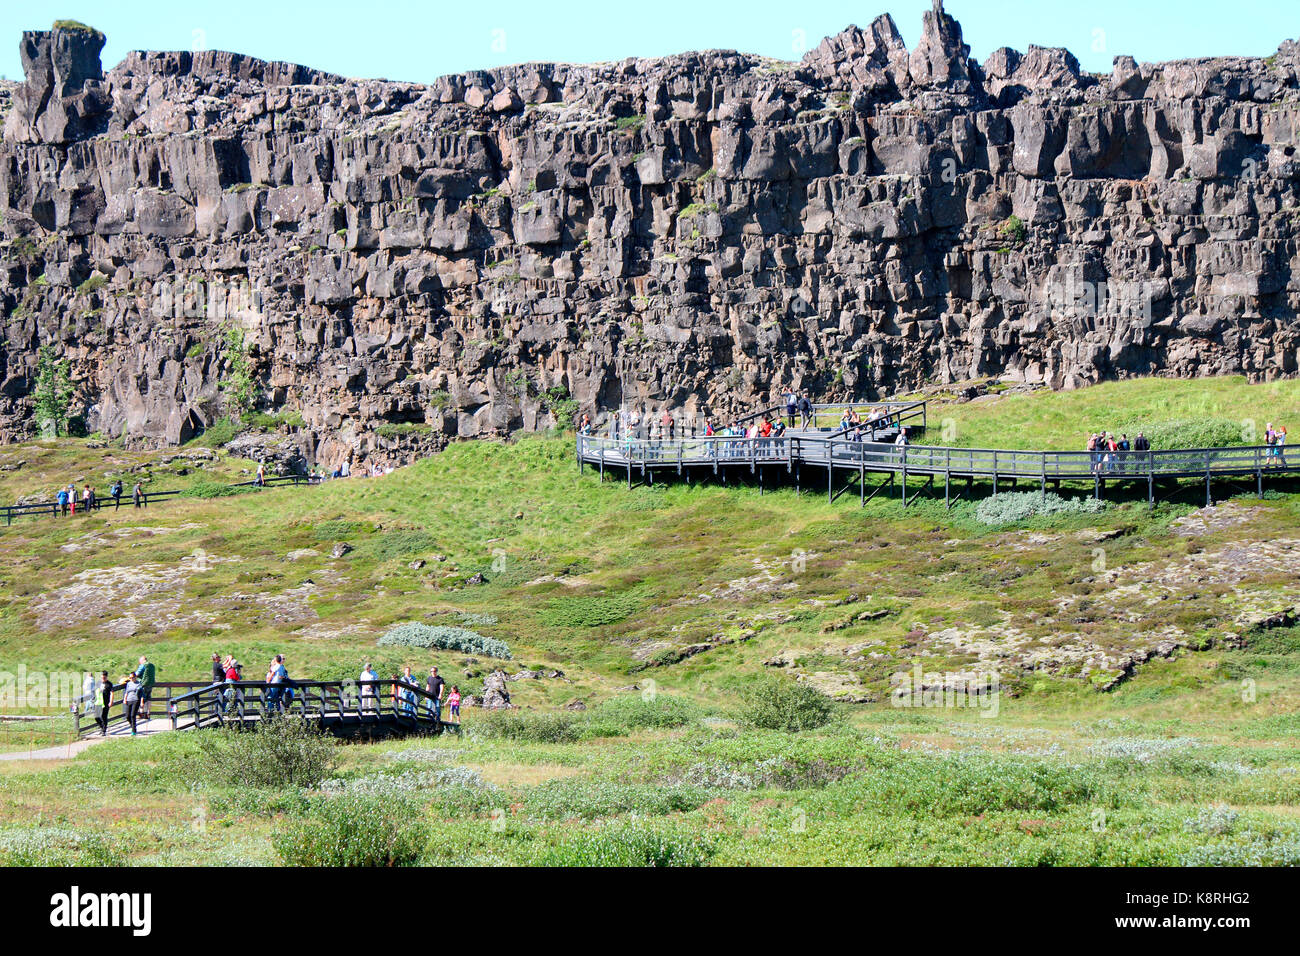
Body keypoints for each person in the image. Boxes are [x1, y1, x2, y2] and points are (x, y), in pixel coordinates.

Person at [134, 656, 156, 721]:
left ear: (142, 660)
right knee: (148, 698)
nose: (139, 663)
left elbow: (136, 674)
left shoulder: (143, 665)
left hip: (143, 684)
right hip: (151, 684)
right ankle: (148, 713)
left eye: (140, 662)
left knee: (141, 698)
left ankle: (141, 713)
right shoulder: (152, 665)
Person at [96, 671, 113, 736]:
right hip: (98, 702)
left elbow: (112, 693)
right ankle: (101, 726)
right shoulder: (98, 683)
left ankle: (104, 730)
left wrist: (111, 701)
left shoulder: (109, 684)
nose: (103, 678)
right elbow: (95, 691)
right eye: (102, 676)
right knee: (97, 716)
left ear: (106, 677)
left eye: (104, 677)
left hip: (106, 702)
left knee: (104, 716)